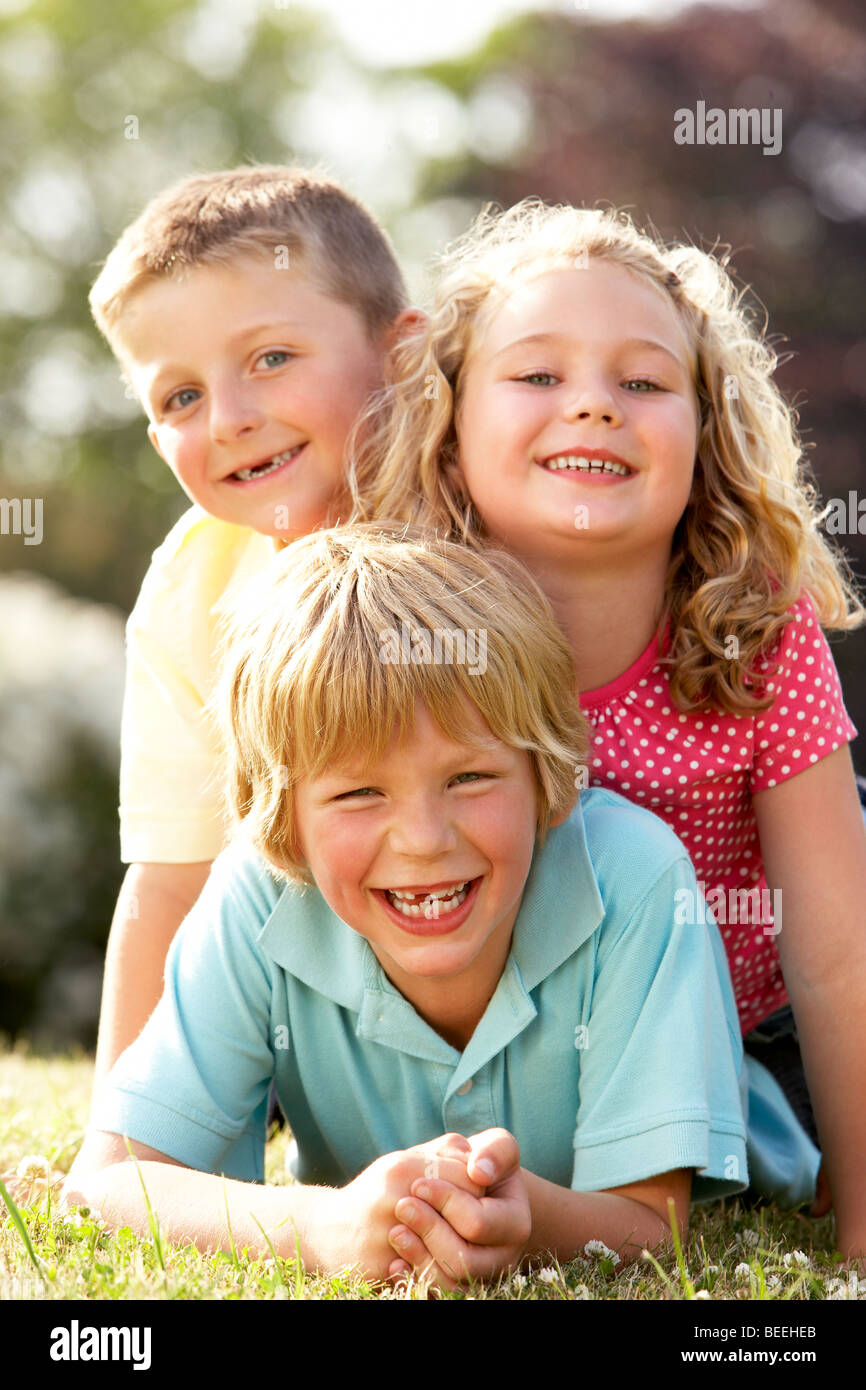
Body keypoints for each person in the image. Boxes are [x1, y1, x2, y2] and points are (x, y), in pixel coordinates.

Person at [347, 201, 866, 1257]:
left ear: (705, 433)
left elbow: (836, 950)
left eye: (641, 382)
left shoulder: (757, 627)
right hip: (495, 1045)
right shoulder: (401, 630)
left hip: (742, 1042)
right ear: (447, 433)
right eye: (537, 376)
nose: (591, 406)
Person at [66, 526, 754, 1289]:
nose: (424, 841)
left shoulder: (635, 878)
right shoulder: (257, 899)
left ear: (544, 777)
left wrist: (527, 1220)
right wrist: (320, 1228)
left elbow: (653, 1224)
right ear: (284, 818)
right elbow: (108, 1186)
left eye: (469, 778)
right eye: (359, 792)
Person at [87, 164, 420, 1100]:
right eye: (179, 398)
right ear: (158, 439)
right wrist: (118, 1135)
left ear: (400, 355)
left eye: (271, 359)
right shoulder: (197, 583)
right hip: (343, 1022)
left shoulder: (480, 509)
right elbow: (169, 879)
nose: (229, 419)